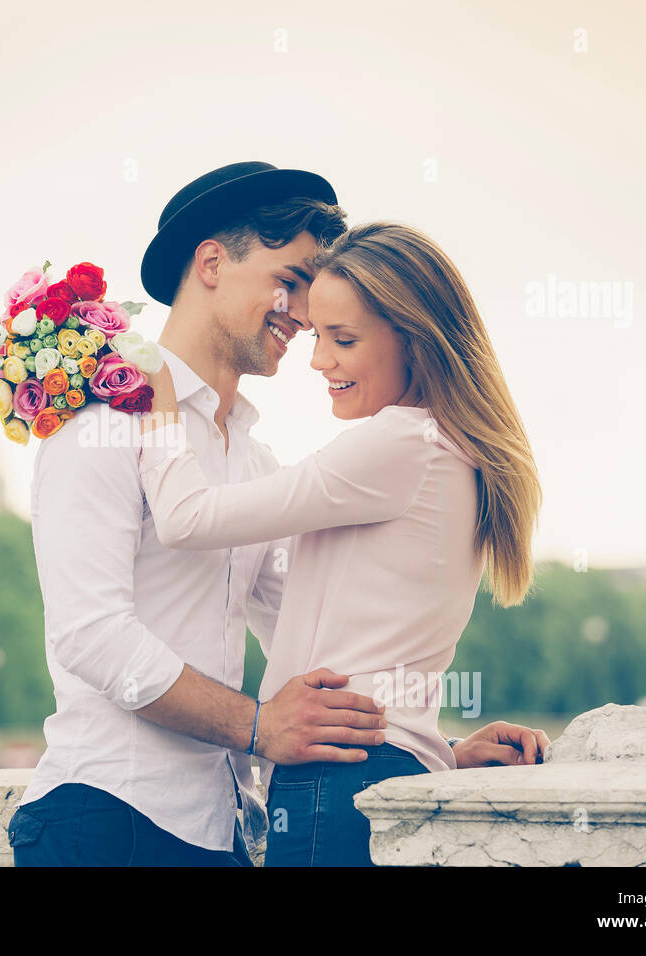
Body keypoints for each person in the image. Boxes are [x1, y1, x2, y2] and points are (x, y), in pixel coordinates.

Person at [9, 162, 546, 867]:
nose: (301, 309)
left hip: (220, 829)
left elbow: (313, 631)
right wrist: (259, 725)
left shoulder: (254, 463)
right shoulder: (104, 426)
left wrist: (423, 746)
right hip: (105, 815)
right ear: (211, 263)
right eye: (288, 280)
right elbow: (91, 636)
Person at [135, 220, 547, 866]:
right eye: (317, 336)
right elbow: (343, 629)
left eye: (343, 339)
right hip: (381, 766)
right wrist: (438, 749)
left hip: (334, 777)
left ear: (414, 339)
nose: (320, 361)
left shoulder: (397, 443)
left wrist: (158, 407)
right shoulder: (451, 450)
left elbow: (185, 518)